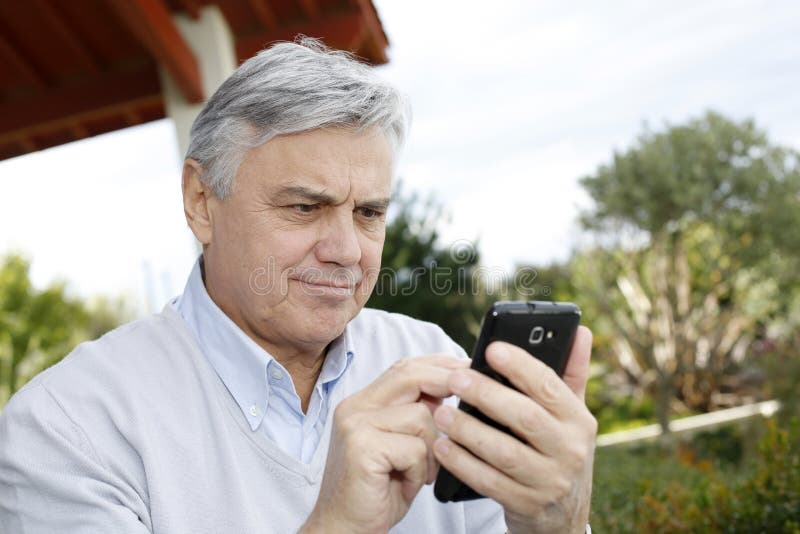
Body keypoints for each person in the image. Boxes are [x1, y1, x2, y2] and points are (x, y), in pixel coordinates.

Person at [0, 38, 597, 533]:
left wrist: (558, 521)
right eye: (305, 207)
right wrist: (336, 524)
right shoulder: (65, 429)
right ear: (201, 202)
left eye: (368, 213)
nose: (345, 252)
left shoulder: (434, 362)